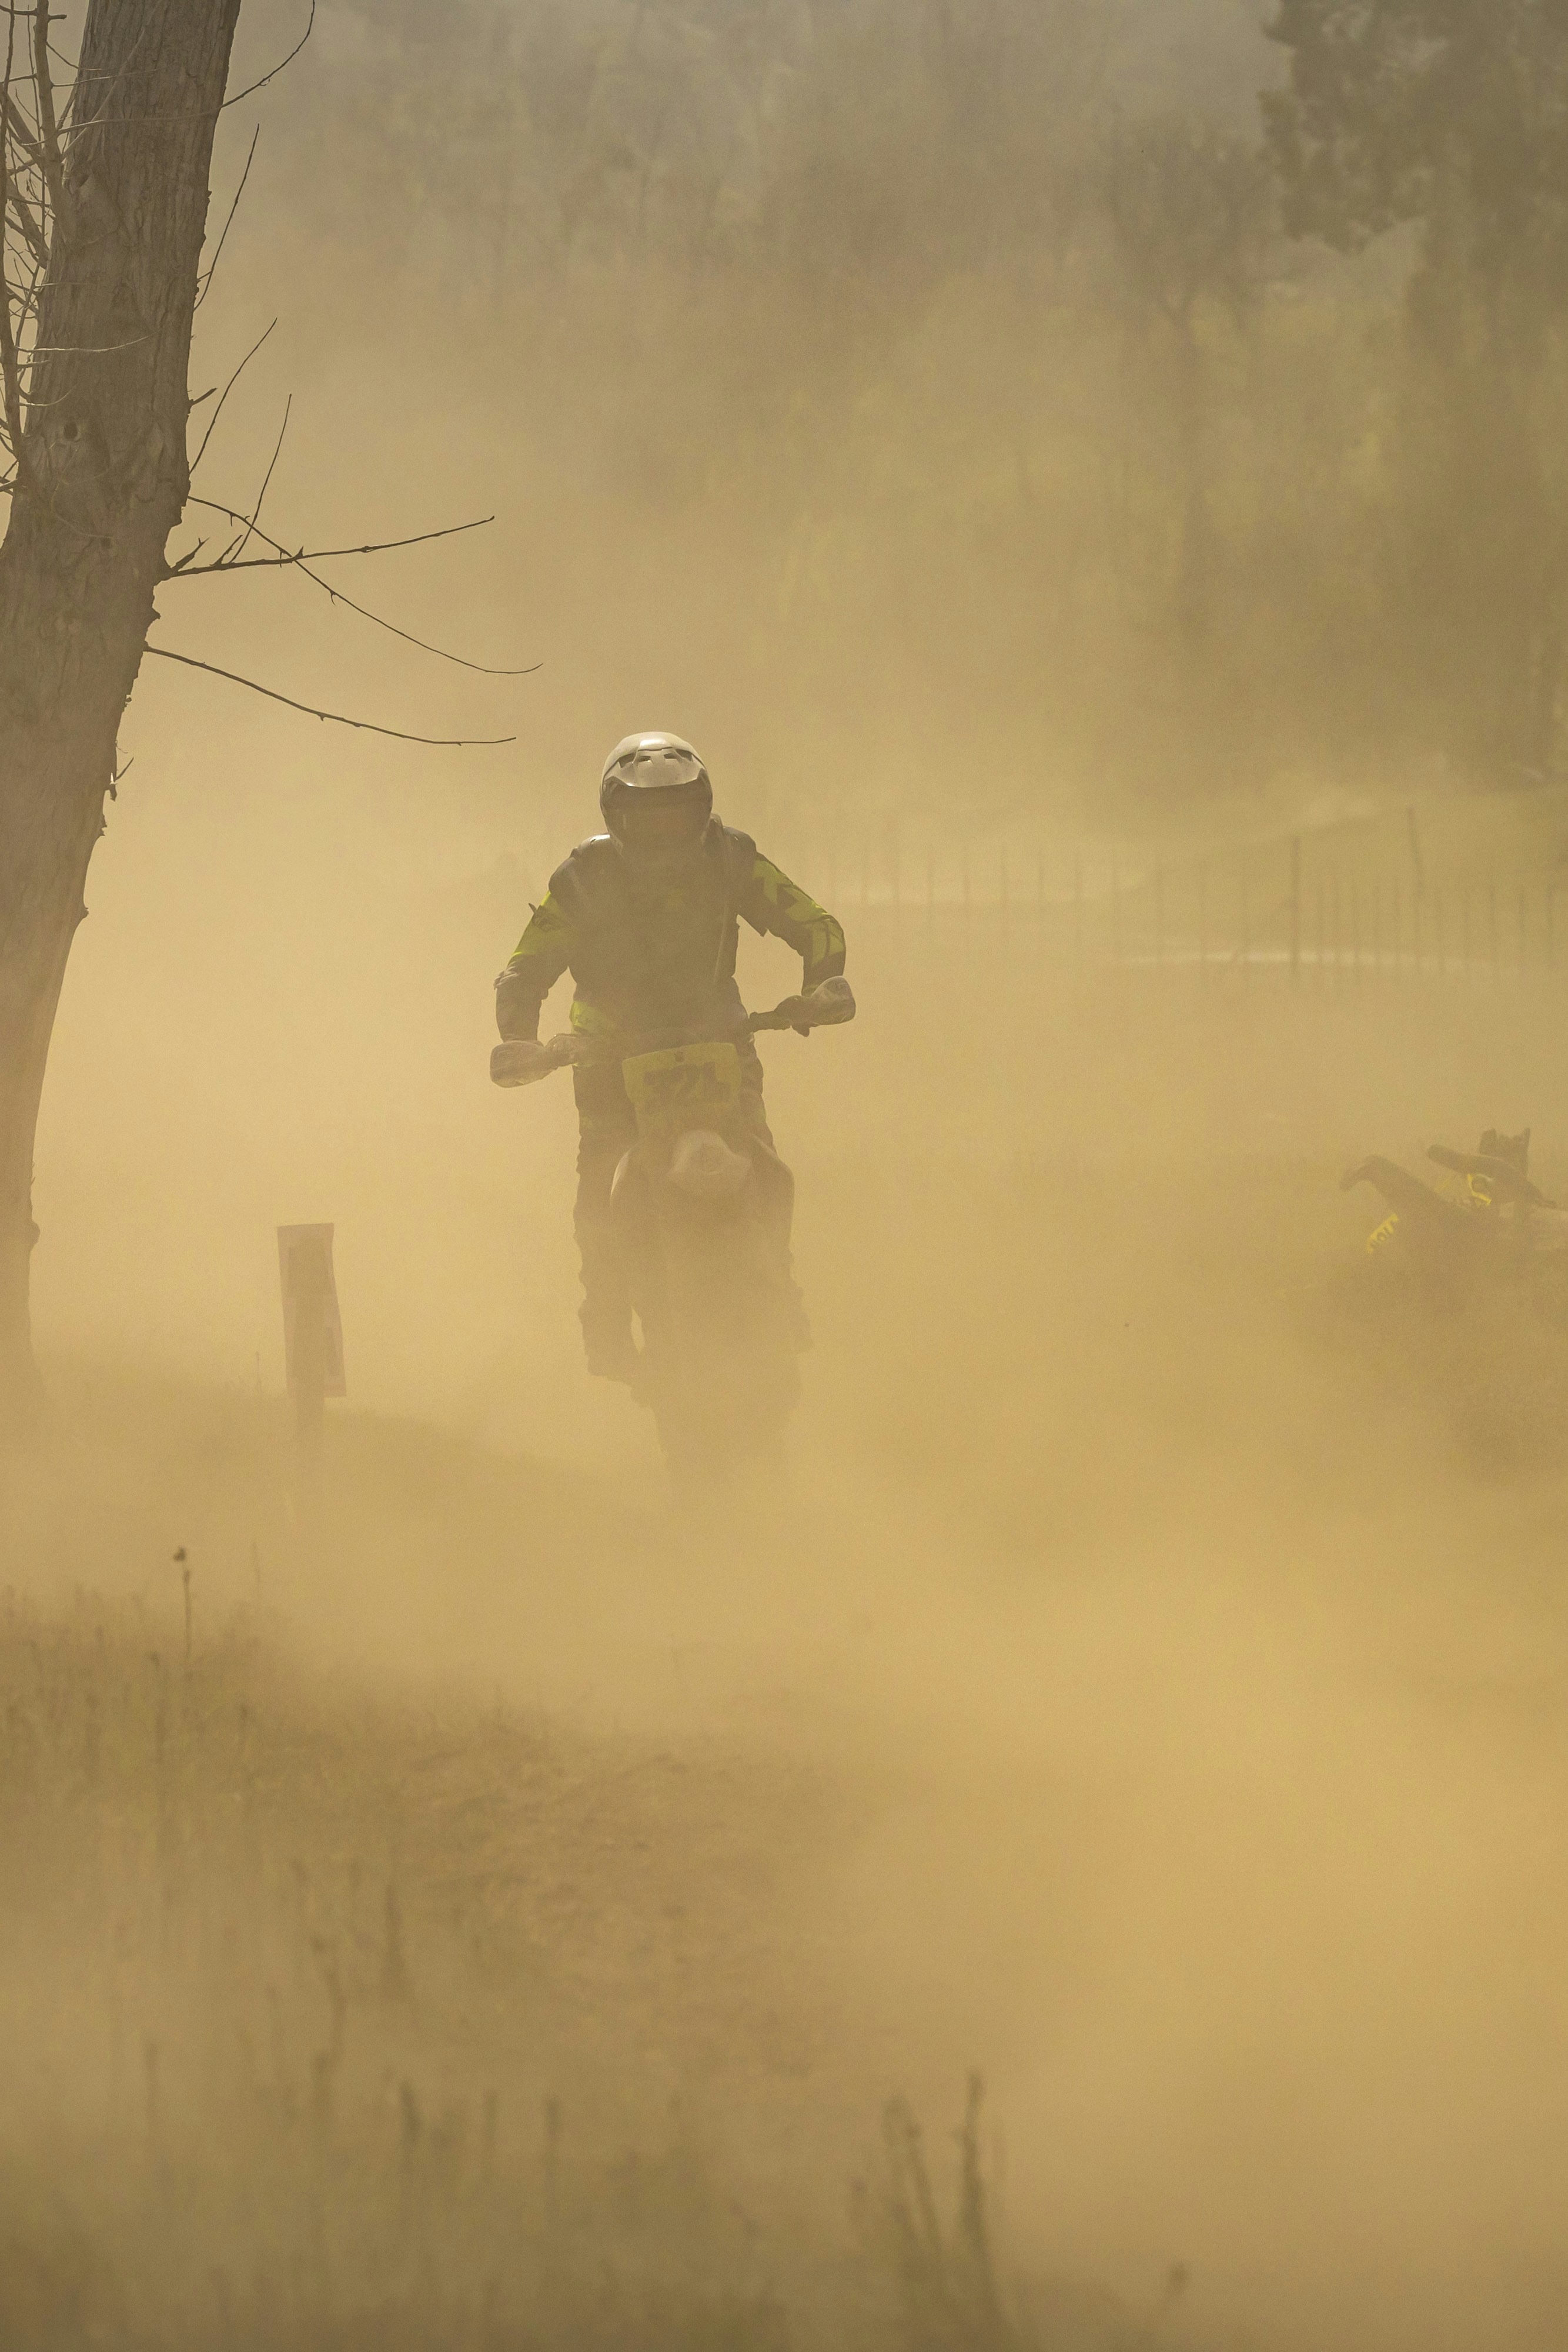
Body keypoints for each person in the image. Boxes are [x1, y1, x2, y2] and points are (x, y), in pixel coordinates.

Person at [492, 733, 853, 1383]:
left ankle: (781, 1285)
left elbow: (817, 925)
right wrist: (521, 1038)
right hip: (607, 1060)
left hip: (718, 1043)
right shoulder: (581, 880)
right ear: (615, 816)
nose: (663, 834)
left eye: (675, 816)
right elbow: (523, 971)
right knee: (598, 1192)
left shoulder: (731, 858)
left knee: (764, 1165)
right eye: (646, 818)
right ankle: (603, 1324)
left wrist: (818, 986)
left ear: (702, 811)